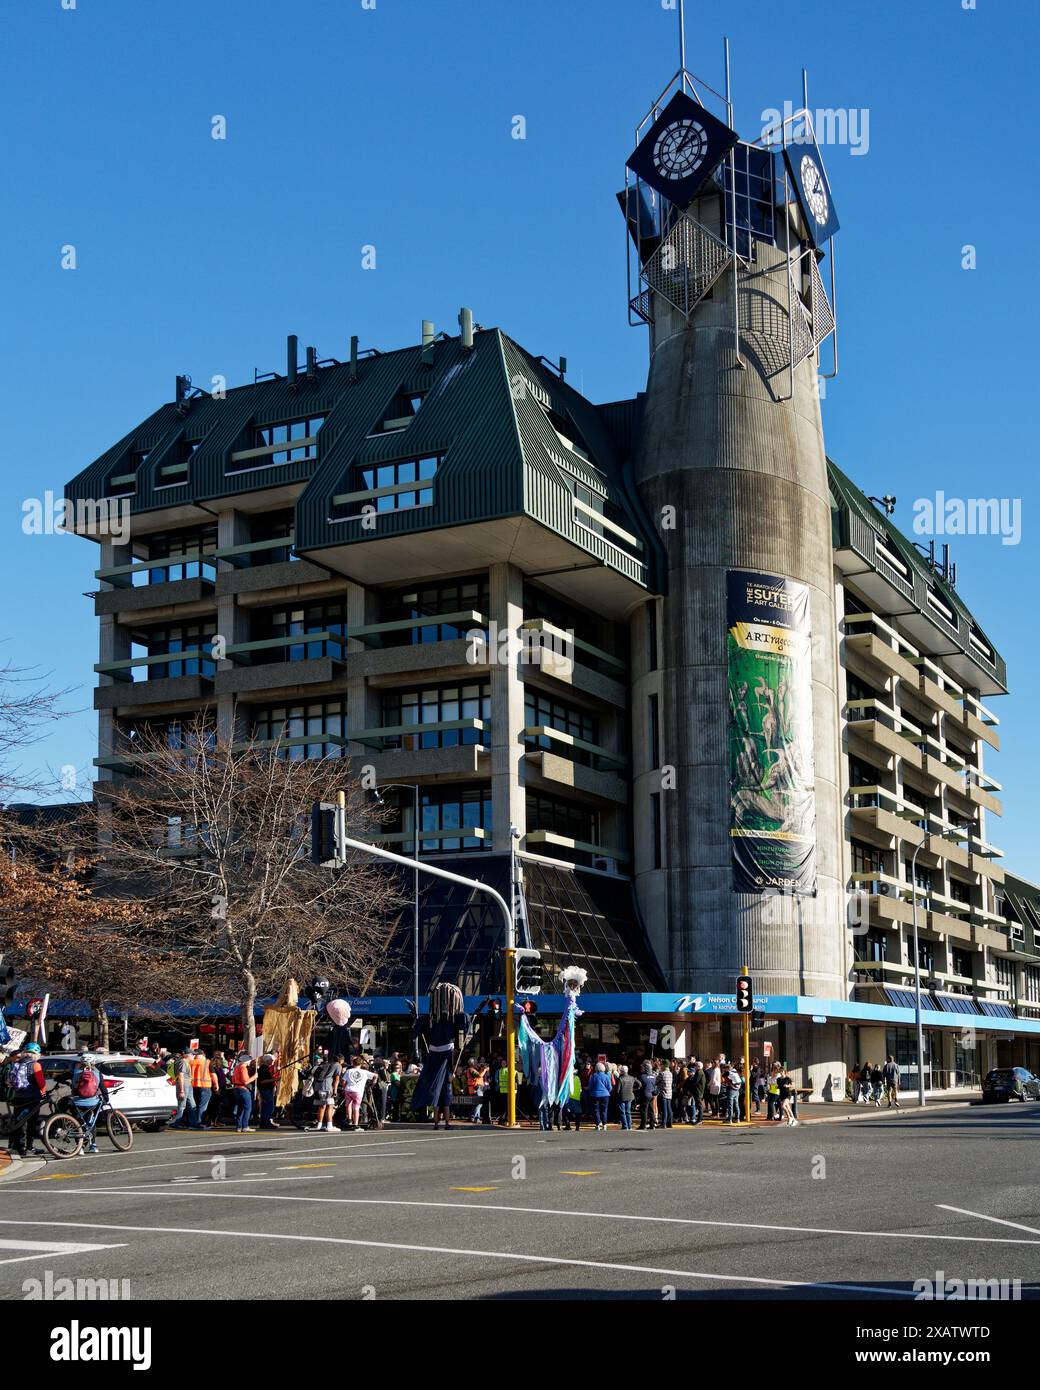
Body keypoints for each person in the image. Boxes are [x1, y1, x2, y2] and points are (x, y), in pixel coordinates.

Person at [411, 982, 468, 1130]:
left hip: (438, 1056)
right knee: (442, 1098)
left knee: (440, 1097)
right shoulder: (454, 1018)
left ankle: (440, 1123)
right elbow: (463, 1033)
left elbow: (415, 1033)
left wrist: (416, 1019)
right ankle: (442, 1123)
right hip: (442, 1056)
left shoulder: (430, 1019)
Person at [4, 1042, 46, 1158]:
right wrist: (43, 1092)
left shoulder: (16, 1064)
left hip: (18, 1097)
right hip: (32, 1098)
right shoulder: (35, 1065)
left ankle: (18, 1147)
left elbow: (9, 1082)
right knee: (31, 1123)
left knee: (19, 1122)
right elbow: (41, 1082)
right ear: (36, 1054)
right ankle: (30, 1147)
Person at [70, 1050, 103, 1154]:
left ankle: (79, 1147)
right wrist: (106, 1099)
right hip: (92, 1103)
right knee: (91, 1124)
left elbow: (61, 1078)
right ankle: (93, 1146)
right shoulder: (97, 1073)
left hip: (77, 1103)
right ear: (94, 1063)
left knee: (78, 1124)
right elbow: (103, 1088)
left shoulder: (75, 1072)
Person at [342, 1057, 376, 1132]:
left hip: (349, 1090)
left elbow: (343, 1081)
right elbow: (375, 1075)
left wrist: (345, 1088)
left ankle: (349, 1119)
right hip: (358, 1091)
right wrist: (373, 1083)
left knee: (348, 1105)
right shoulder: (364, 1072)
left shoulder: (349, 1071)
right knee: (356, 1107)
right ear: (361, 1064)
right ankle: (356, 1124)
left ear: (353, 1063)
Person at [311, 1054, 342, 1132]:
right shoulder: (337, 1065)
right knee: (330, 1106)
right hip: (327, 1086)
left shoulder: (326, 1064)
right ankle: (329, 1125)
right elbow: (337, 1079)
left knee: (322, 1106)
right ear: (341, 1060)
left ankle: (319, 1125)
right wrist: (335, 1091)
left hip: (318, 1086)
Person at [171, 1048, 199, 1129]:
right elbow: (181, 1075)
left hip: (188, 1084)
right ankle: (176, 1123)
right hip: (184, 1085)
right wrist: (182, 1090)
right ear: (187, 1055)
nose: (194, 1056)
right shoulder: (182, 1062)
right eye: (192, 1054)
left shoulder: (184, 1062)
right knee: (182, 1105)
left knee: (192, 1104)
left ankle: (193, 1123)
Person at [231, 1050, 257, 1132]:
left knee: (241, 1108)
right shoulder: (243, 1067)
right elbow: (245, 1081)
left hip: (236, 1088)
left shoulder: (237, 1067)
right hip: (243, 1089)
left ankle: (239, 1126)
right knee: (247, 1107)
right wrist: (254, 1077)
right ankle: (245, 1126)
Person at [588, 1061, 612, 1131]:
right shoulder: (606, 1076)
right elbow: (609, 1087)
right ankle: (604, 1124)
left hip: (595, 1094)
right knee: (604, 1110)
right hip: (605, 1095)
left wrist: (591, 1092)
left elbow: (590, 1086)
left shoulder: (593, 1076)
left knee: (596, 1110)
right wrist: (607, 1091)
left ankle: (598, 1124)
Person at [616, 1064, 636, 1131]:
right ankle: (629, 1126)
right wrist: (634, 1089)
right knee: (628, 1112)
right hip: (630, 1096)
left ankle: (625, 1126)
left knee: (622, 1112)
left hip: (622, 1096)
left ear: (621, 1071)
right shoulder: (632, 1078)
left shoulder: (620, 1079)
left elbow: (617, 1090)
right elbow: (639, 1084)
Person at [639, 1061, 657, 1130]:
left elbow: (640, 1086)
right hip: (652, 1095)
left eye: (643, 1067)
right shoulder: (653, 1076)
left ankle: (643, 1125)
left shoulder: (642, 1076)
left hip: (645, 1095)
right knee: (651, 1110)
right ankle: (652, 1124)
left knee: (644, 1110)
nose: (642, 1068)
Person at [657, 1060, 674, 1128]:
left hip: (663, 1092)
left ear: (664, 1065)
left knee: (664, 1109)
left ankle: (663, 1123)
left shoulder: (662, 1073)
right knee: (669, 1108)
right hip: (669, 1093)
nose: (660, 1066)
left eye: (661, 1065)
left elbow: (656, 1081)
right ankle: (669, 1123)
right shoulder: (670, 1073)